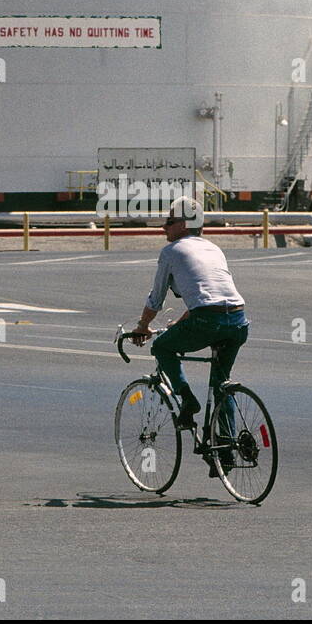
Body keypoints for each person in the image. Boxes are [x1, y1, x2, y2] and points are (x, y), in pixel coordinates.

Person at [130, 196, 248, 472]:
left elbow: (156, 299)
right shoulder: (214, 248)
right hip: (239, 321)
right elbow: (211, 296)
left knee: (162, 348)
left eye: (168, 223)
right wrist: (182, 322)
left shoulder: (171, 252)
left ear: (183, 224)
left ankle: (187, 399)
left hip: (209, 321)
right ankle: (227, 448)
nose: (164, 229)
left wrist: (143, 327)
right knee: (222, 384)